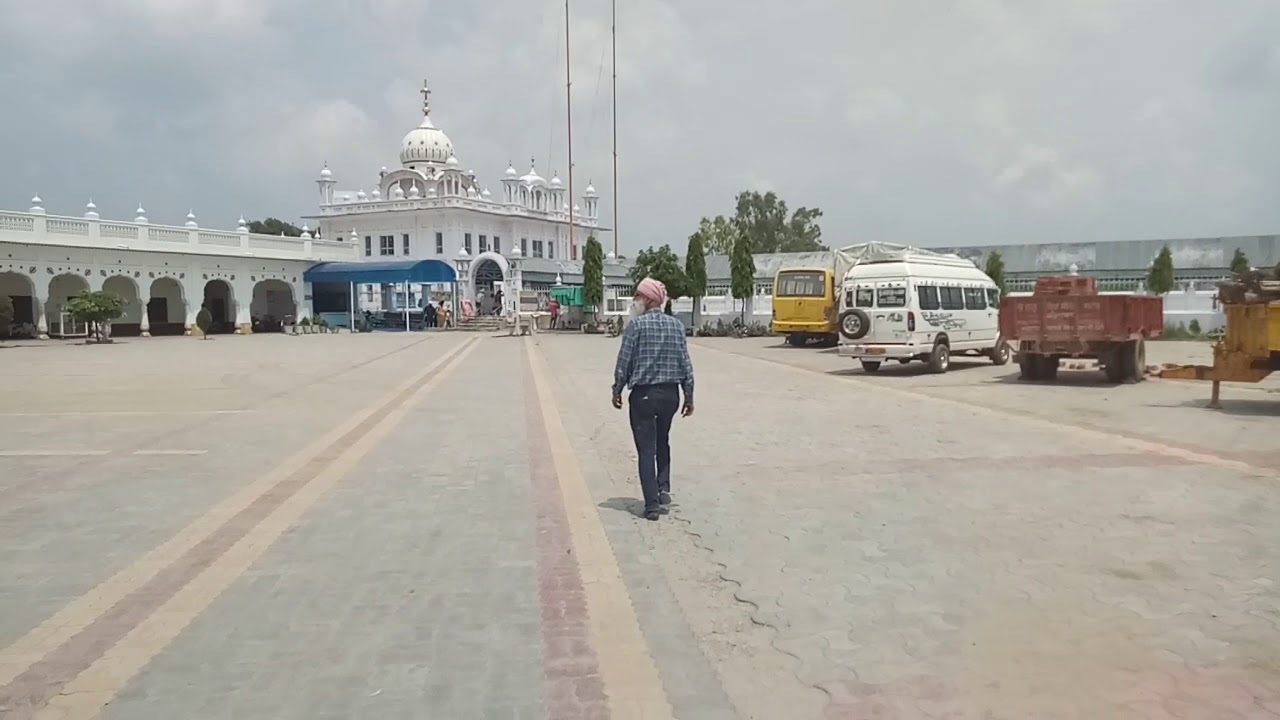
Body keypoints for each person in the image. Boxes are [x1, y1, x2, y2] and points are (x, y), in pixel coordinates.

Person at [611, 277, 694, 521]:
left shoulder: (635, 327)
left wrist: (617, 389)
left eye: (637, 296)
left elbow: (624, 361)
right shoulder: (676, 326)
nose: (634, 301)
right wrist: (689, 395)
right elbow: (685, 363)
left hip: (643, 396)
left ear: (648, 299)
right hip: (670, 395)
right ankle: (663, 487)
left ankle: (651, 506)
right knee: (662, 440)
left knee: (646, 450)